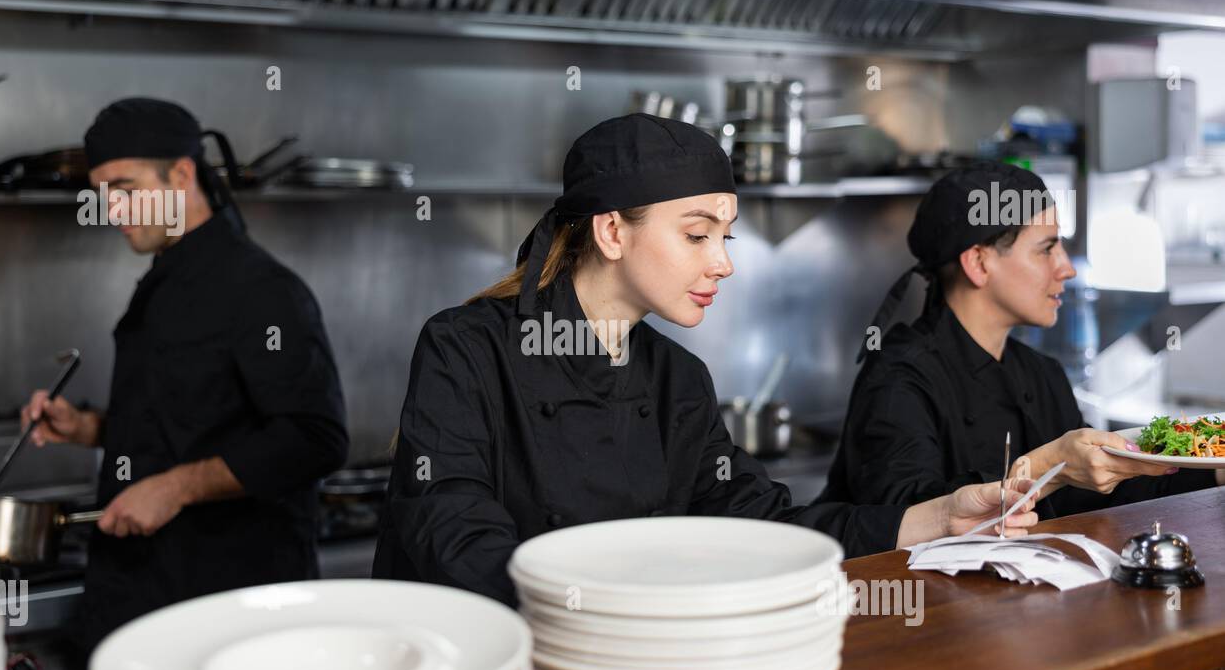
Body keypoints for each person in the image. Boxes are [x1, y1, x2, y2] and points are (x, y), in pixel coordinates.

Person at [374, 115, 1038, 605]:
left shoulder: (675, 379)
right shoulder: (466, 348)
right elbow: (454, 538)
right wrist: (603, 617)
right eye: (697, 235)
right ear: (611, 231)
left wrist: (941, 519)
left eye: (725, 237)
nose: (722, 262)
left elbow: (765, 525)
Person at [20, 98, 349, 651]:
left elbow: (315, 439)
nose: (112, 211)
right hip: (141, 594)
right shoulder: (165, 281)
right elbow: (184, 415)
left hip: (227, 609)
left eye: (125, 188)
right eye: (102, 195)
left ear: (181, 173)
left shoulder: (262, 290)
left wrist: (175, 488)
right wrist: (88, 428)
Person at [816, 161, 1223, 515]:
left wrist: (1216, 466)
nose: (1067, 268)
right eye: (1046, 249)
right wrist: (1046, 464)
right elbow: (903, 520)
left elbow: (1101, 496)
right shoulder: (899, 378)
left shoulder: (1040, 374)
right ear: (978, 263)